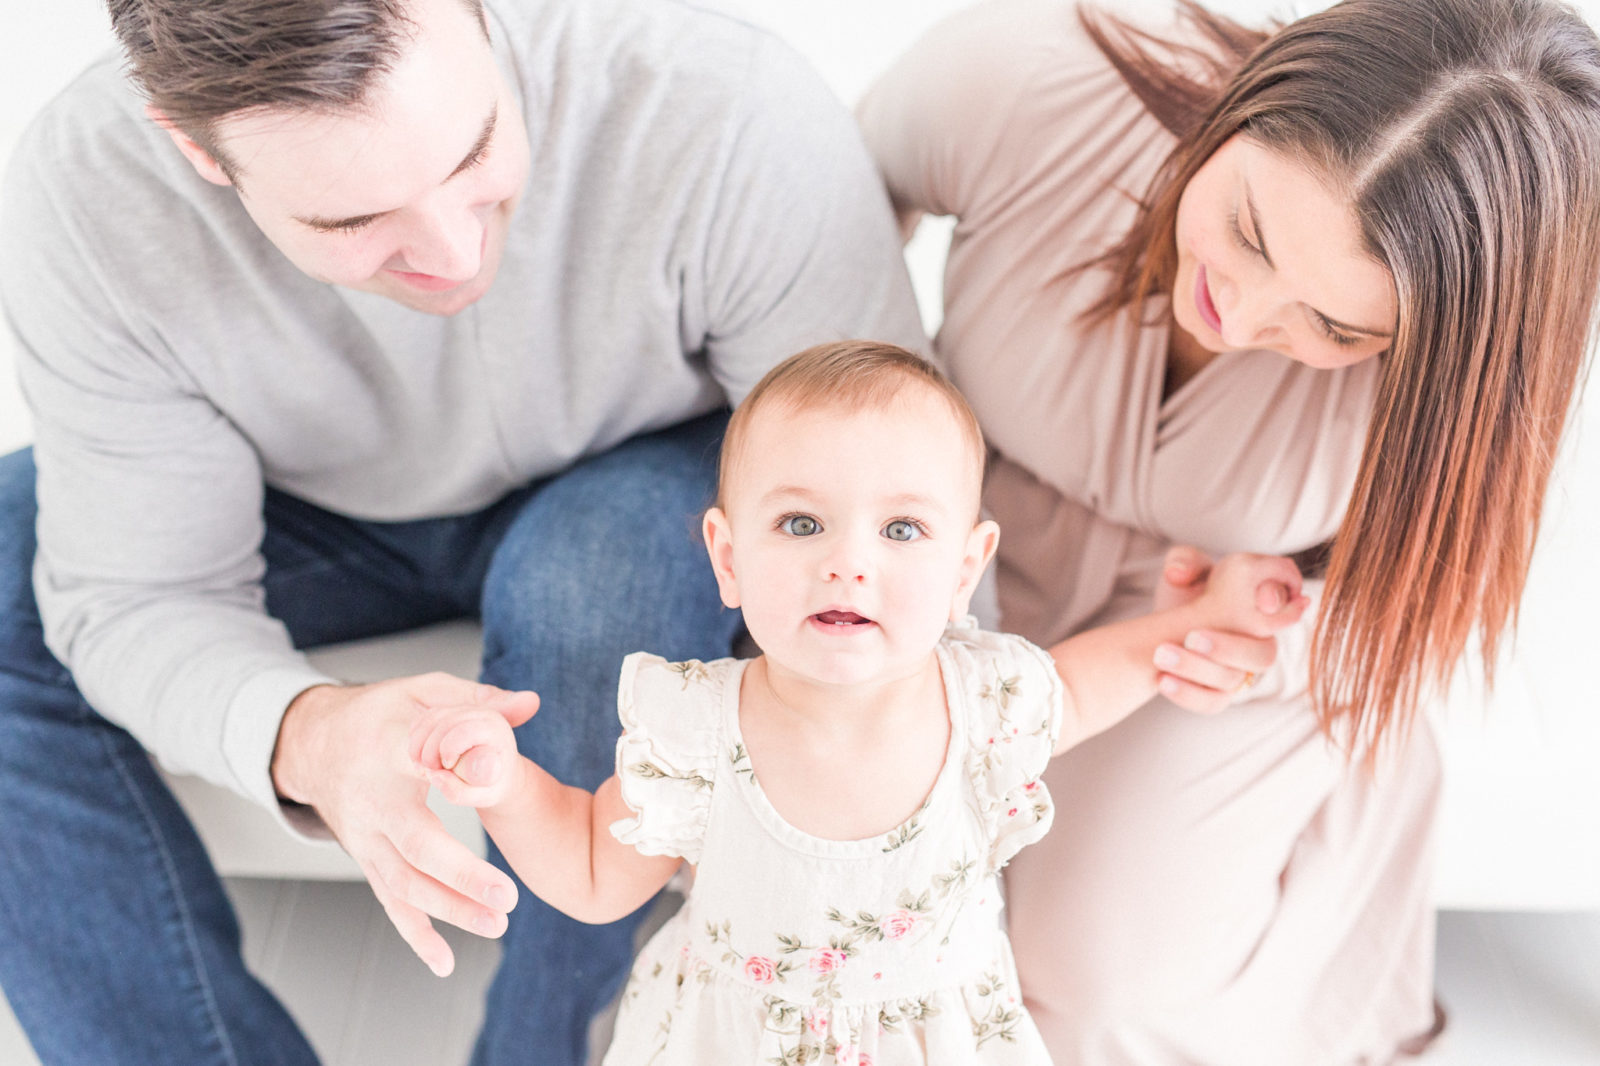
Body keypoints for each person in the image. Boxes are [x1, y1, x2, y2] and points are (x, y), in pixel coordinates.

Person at [0, 0, 929, 1061]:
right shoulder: (89, 192)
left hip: (646, 469)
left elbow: (896, 497)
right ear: (193, 147)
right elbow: (139, 593)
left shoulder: (724, 111)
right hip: (305, 500)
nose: (451, 252)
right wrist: (306, 734)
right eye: (350, 221)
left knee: (592, 582)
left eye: (475, 147)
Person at [856, 0, 1600, 1062]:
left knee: (1091, 980)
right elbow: (827, 211)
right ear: (1252, 102)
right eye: (1249, 232)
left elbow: (1421, 597)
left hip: (1214, 644)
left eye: (1335, 328)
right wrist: (844, 459)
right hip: (942, 551)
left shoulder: (1466, 369)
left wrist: (1269, 643)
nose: (1244, 319)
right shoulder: (1031, 76)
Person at [407, 340, 1308, 1065]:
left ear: (966, 570)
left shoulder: (988, 704)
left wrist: (1200, 621)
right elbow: (597, 873)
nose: (848, 562)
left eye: (902, 529)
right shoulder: (697, 731)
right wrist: (503, 784)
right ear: (728, 558)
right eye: (801, 524)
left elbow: (1080, 680)